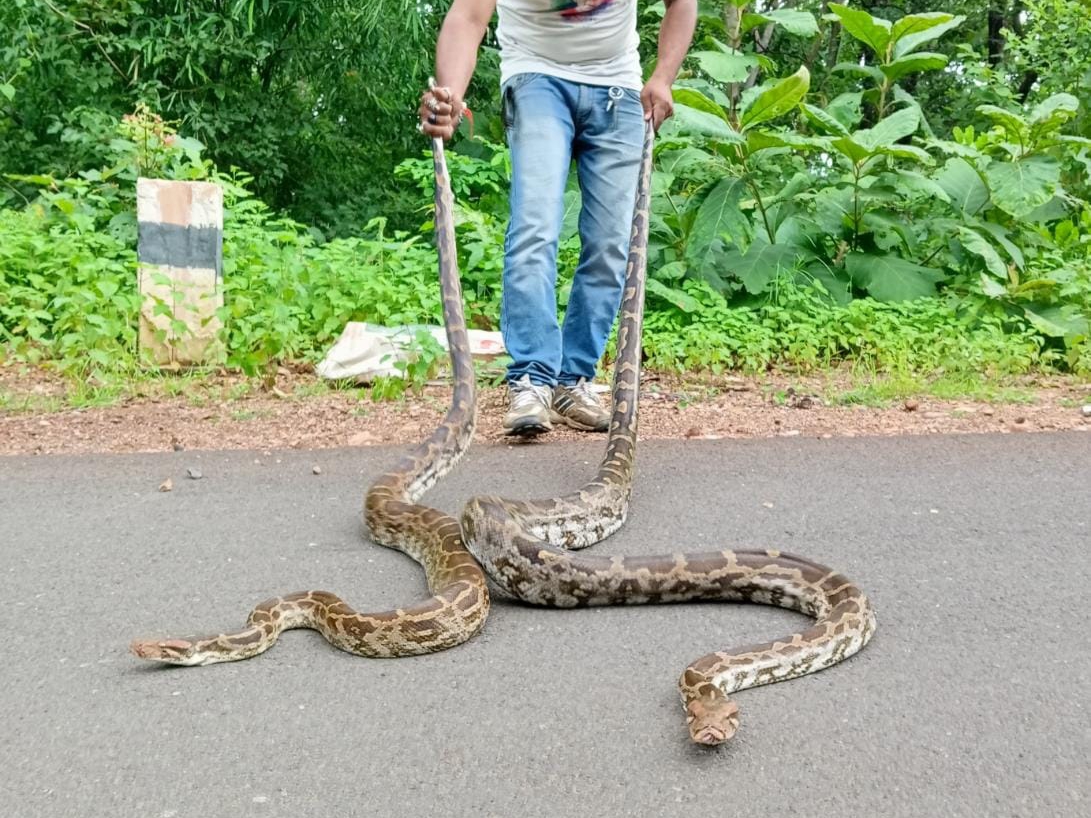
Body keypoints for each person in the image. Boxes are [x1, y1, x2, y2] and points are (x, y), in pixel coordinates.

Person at [419, 0, 696, 436]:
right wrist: (451, 95)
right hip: (537, 78)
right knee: (535, 227)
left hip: (617, 88)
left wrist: (663, 77)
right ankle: (531, 379)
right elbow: (468, 17)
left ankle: (573, 381)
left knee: (610, 243)